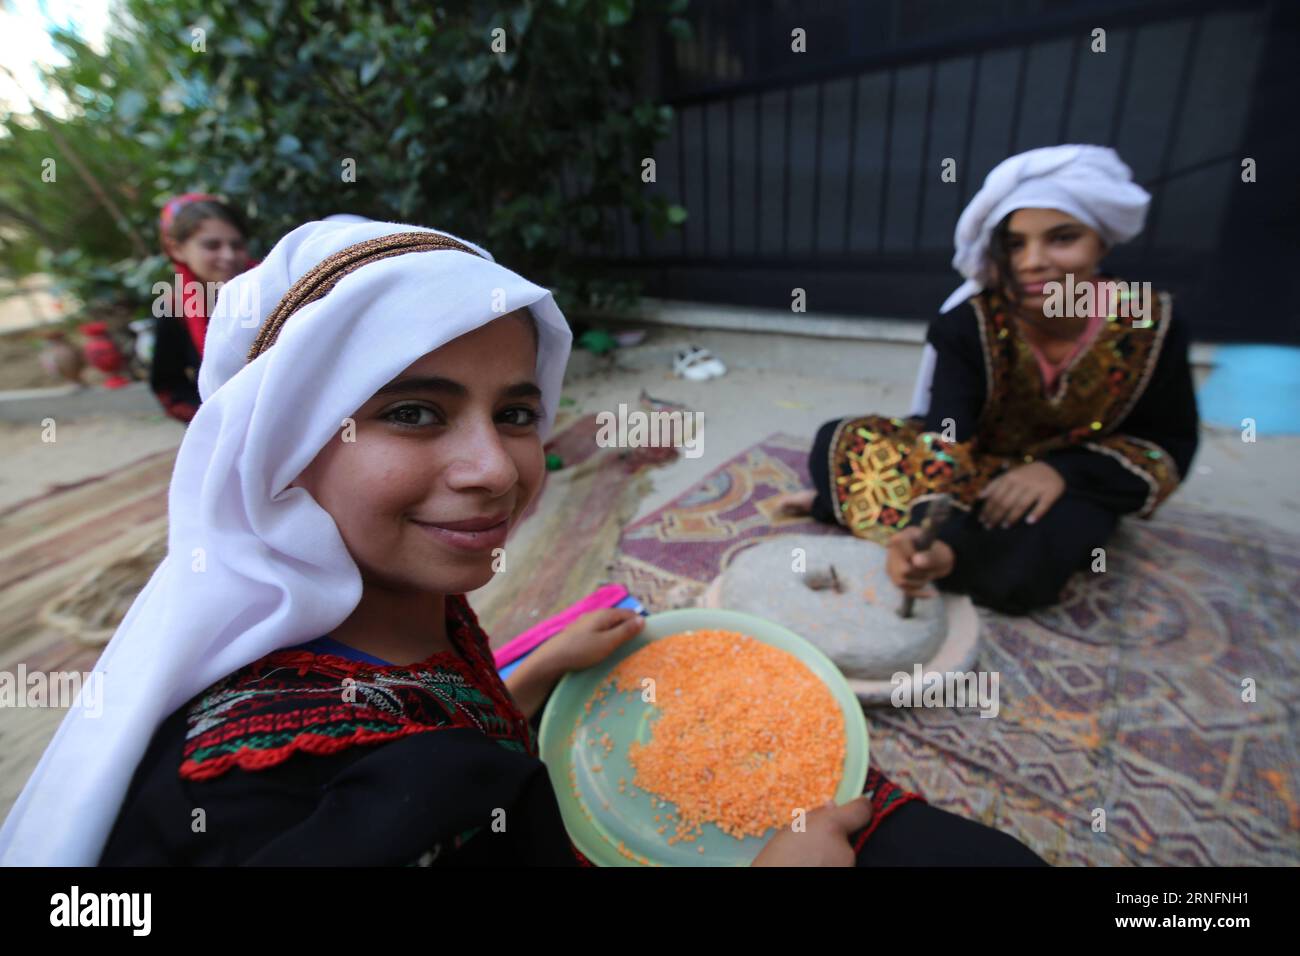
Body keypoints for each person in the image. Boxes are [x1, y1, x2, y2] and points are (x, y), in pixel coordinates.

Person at [0, 220, 1043, 867]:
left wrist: (530, 666)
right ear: (286, 447)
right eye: (414, 412)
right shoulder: (250, 793)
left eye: (513, 411)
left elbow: (421, 713)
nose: (497, 468)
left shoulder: (377, 603)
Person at [778, 145, 1199, 615]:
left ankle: (919, 539)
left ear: (1101, 242)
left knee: (1046, 552)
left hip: (1070, 484)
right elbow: (948, 435)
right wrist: (926, 528)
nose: (1033, 262)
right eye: (1014, 244)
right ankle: (943, 549)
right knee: (839, 441)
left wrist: (1060, 472)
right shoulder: (967, 326)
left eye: (1062, 238)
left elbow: (1167, 444)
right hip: (976, 464)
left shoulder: (1150, 323)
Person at [148, 193, 255, 423]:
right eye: (212, 245)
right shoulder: (175, 307)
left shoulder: (270, 291)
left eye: (236, 245)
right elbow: (168, 386)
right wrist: (213, 422)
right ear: (176, 249)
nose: (228, 256)